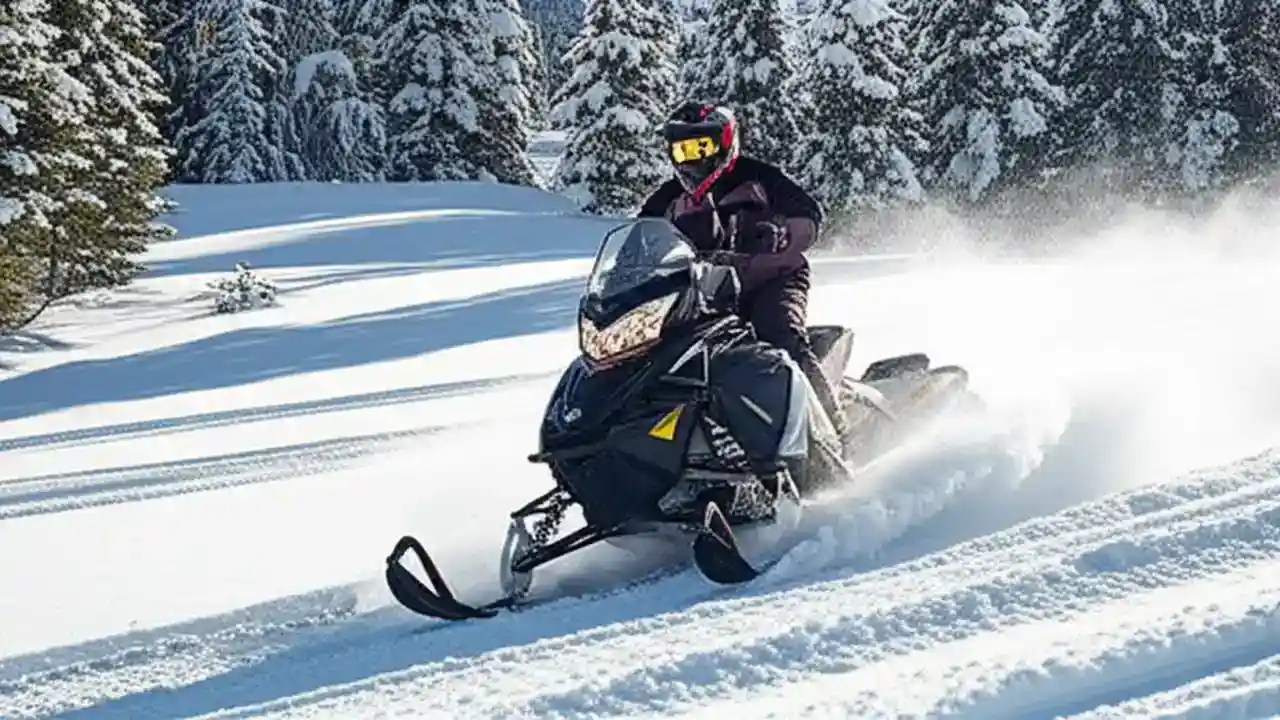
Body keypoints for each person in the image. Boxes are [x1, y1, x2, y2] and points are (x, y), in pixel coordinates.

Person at [638, 101, 849, 439]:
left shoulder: (759, 177)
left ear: (725, 142)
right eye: (682, 149)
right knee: (654, 355)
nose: (692, 158)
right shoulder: (668, 198)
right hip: (701, 293)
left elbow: (808, 212)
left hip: (772, 278)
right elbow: (641, 237)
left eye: (701, 146)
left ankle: (835, 432)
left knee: (778, 334)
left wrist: (788, 234)